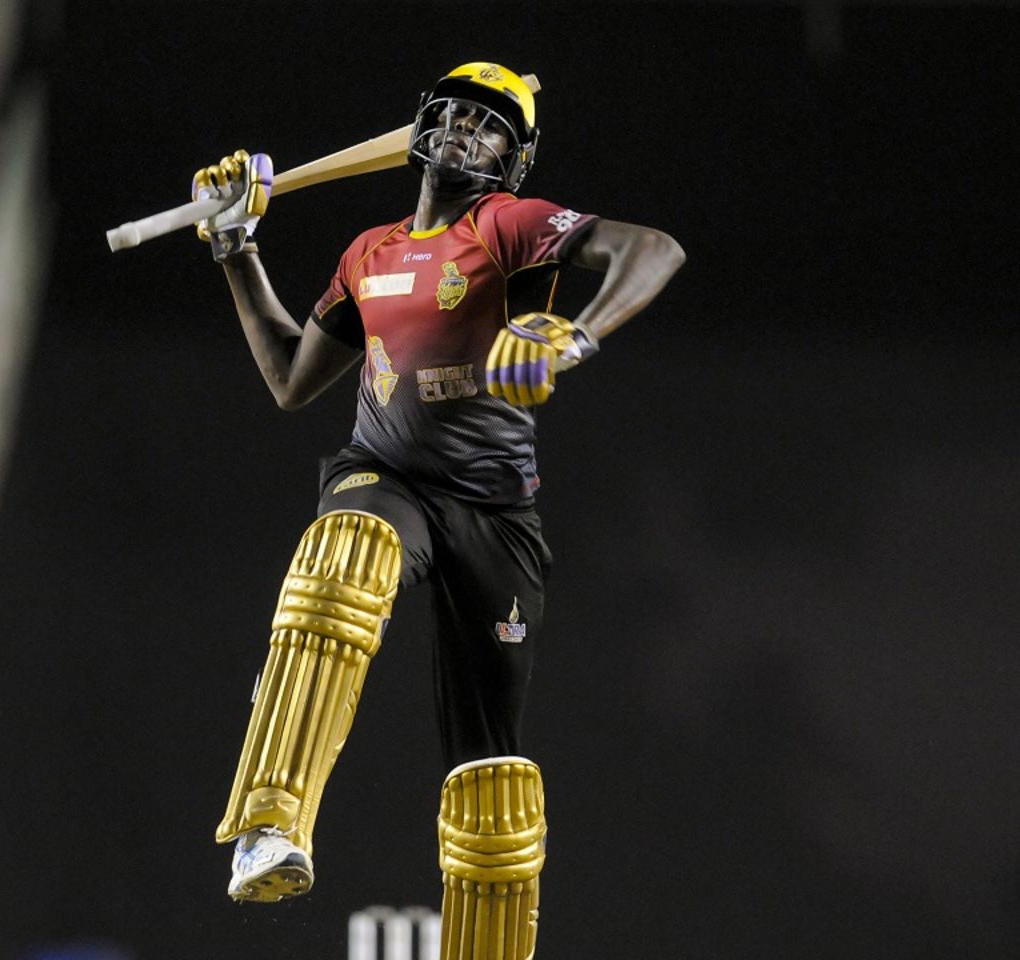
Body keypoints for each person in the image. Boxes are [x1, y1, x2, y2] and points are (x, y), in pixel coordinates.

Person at [192, 62, 684, 959]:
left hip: (494, 511)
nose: (467, 128)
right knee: (345, 553)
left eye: (491, 124)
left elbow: (654, 249)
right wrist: (236, 249)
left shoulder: (507, 225)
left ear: (513, 160)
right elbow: (292, 378)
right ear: (422, 126)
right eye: (456, 112)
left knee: (492, 770)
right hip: (385, 473)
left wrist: (576, 334)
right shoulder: (367, 253)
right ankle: (270, 822)